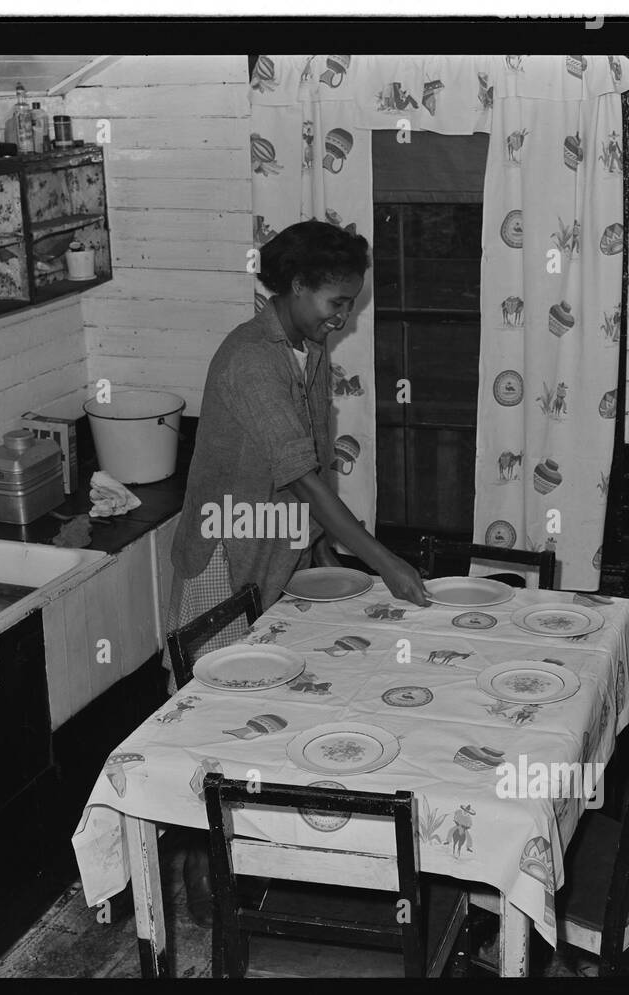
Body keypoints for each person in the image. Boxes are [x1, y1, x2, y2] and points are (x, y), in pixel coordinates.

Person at [165, 218, 430, 925]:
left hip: (275, 557)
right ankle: (199, 874)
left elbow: (310, 469)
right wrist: (384, 563)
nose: (342, 318)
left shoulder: (305, 349)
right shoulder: (252, 359)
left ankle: (263, 855)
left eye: (351, 304)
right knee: (216, 728)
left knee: (270, 718)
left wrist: (320, 552)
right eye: (335, 303)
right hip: (223, 561)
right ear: (293, 286)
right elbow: (306, 479)